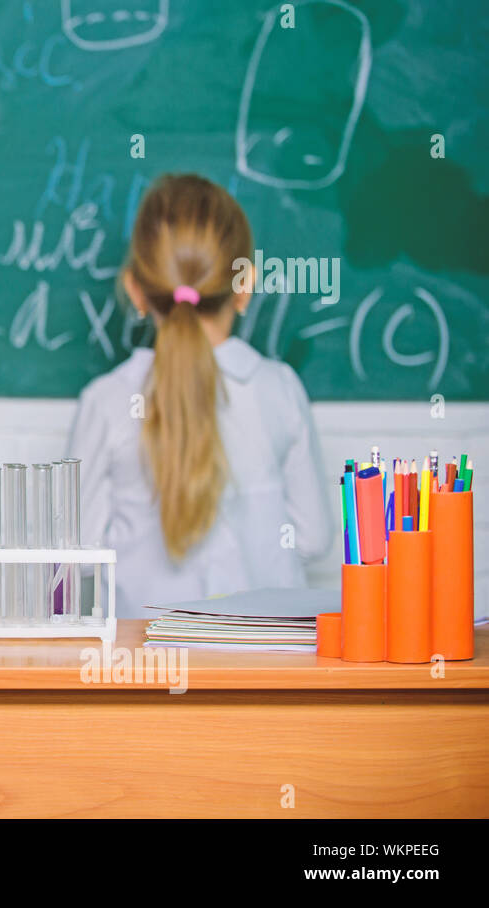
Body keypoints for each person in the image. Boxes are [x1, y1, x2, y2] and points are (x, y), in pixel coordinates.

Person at [65, 173, 333, 618]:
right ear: (244, 286)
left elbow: (75, 554)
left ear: (136, 290)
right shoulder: (279, 389)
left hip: (142, 669)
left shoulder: (107, 401)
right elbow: (313, 538)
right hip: (267, 667)